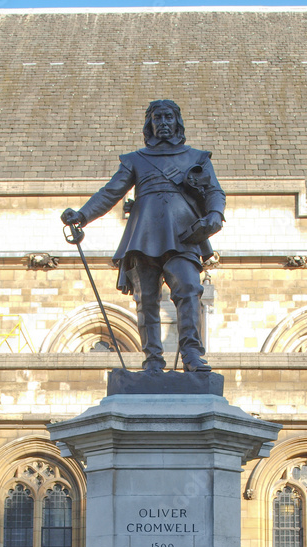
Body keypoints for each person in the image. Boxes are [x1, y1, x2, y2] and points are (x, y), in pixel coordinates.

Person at [61, 100, 225, 373]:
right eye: (157, 118)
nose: (163, 122)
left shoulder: (197, 158)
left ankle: (192, 355)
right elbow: (110, 193)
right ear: (149, 124)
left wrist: (215, 214)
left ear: (177, 122)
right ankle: (152, 360)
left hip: (183, 233)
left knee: (188, 289)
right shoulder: (136, 160)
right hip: (143, 235)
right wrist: (82, 215)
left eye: (168, 117)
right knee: (146, 298)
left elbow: (215, 192)